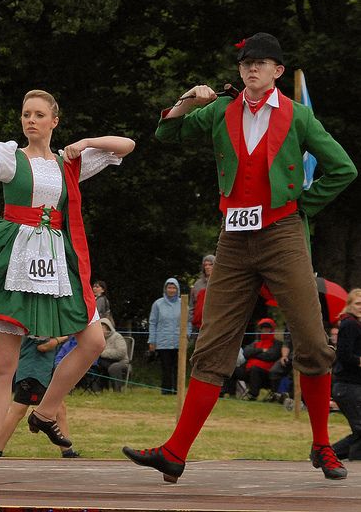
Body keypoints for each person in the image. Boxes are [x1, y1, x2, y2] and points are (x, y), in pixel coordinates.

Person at [123, 32, 357, 482]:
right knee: (212, 347)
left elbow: (343, 168)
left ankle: (323, 445)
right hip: (233, 237)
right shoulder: (220, 111)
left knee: (310, 337)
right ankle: (174, 452)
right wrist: (189, 99)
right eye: (247, 63)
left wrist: (304, 204)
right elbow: (165, 132)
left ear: (277, 72)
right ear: (241, 70)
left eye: (262, 62)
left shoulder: (297, 115)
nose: (253, 68)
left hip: (284, 233)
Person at [0, 88, 135, 472]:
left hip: (59, 263)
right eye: (26, 114)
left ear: (54, 122)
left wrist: (86, 143)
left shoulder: (69, 162)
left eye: (39, 114)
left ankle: (44, 414)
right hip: (18, 262)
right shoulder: (11, 157)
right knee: (6, 362)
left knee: (93, 341)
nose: (31, 120)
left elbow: (126, 145)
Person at [0, 335, 79, 459]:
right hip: (33, 373)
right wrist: (63, 338)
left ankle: (68, 451)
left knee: (60, 409)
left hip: (43, 374)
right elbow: (43, 346)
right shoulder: (40, 323)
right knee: (17, 411)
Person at [331, 289, 361, 461]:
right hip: (347, 386)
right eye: (357, 303)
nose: (360, 307)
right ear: (349, 305)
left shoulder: (356, 324)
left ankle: (328, 454)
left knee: (359, 431)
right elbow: (343, 354)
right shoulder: (349, 324)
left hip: (354, 385)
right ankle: (326, 453)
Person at [148, 278, 188, 395]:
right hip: (163, 342)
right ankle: (166, 390)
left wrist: (187, 335)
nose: (171, 290)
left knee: (178, 367)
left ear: (177, 289)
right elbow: (152, 323)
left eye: (174, 287)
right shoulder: (158, 304)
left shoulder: (183, 303)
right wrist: (152, 341)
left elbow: (188, 321)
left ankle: (177, 390)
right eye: (169, 287)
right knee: (166, 367)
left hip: (178, 341)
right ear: (165, 289)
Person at [237, 318, 282, 401]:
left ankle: (253, 395)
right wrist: (260, 350)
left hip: (266, 376)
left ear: (272, 330)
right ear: (260, 329)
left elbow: (271, 356)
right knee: (233, 369)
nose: (265, 330)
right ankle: (226, 392)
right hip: (248, 372)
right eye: (263, 328)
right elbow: (245, 353)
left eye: (268, 328)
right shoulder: (256, 343)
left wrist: (253, 355)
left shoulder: (277, 344)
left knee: (255, 369)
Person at [97, 318, 129, 392]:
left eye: (102, 328)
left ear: (108, 328)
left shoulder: (117, 337)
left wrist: (102, 353)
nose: (100, 330)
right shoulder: (98, 339)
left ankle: (117, 390)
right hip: (106, 361)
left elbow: (120, 353)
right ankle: (100, 389)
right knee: (96, 365)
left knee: (114, 367)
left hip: (121, 362)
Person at [189, 255, 215, 332]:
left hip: (215, 325)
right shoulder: (197, 284)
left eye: (210, 264)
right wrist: (189, 325)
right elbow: (191, 306)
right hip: (198, 326)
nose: (207, 267)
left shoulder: (222, 284)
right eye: (205, 265)